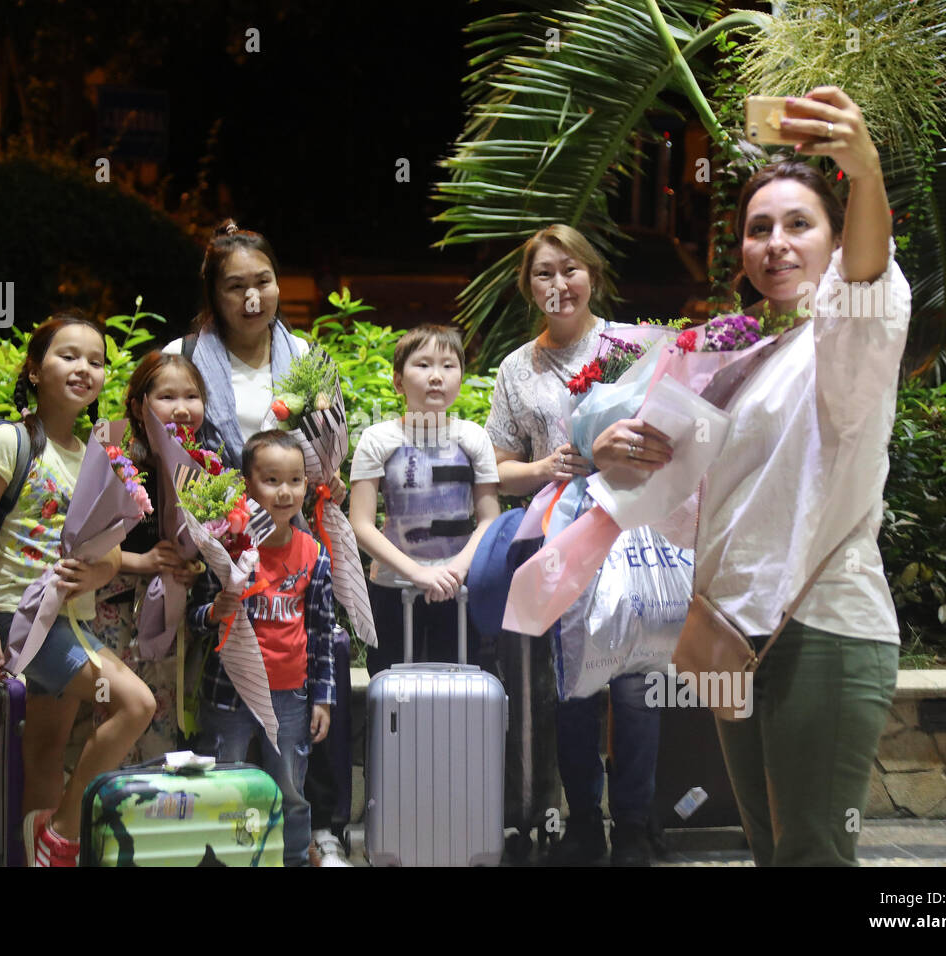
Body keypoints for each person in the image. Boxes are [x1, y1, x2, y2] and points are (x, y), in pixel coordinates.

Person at [593, 87, 910, 866]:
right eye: (758, 228)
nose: (776, 242)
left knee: (811, 855)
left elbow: (866, 284)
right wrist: (622, 455)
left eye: (800, 224)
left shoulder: (847, 341)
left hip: (822, 628)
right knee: (769, 852)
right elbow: (684, 505)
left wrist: (864, 174)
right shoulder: (739, 362)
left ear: (838, 243)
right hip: (734, 634)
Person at [166, 219, 351, 865]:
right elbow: (165, 442)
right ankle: (213, 843)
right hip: (222, 544)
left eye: (263, 282)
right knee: (222, 673)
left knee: (309, 664)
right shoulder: (186, 355)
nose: (252, 298)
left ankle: (314, 828)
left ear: (279, 284)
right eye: (235, 286)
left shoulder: (308, 360)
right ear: (214, 294)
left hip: (298, 541)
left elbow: (332, 455)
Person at [486, 223, 668, 866]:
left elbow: (675, 438)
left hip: (631, 538)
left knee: (638, 685)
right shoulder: (516, 368)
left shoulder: (636, 348)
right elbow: (497, 468)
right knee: (573, 688)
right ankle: (586, 822)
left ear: (591, 272)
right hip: (561, 544)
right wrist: (544, 470)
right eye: (543, 273)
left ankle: (637, 825)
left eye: (570, 269)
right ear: (527, 286)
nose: (558, 284)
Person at [0, 310, 156, 867]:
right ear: (35, 367)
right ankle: (63, 834)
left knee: (45, 748)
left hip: (74, 619)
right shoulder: (9, 440)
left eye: (95, 361)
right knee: (135, 703)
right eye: (68, 355)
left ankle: (38, 856)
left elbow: (110, 546)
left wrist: (100, 571)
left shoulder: (101, 454)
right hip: (19, 618)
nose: (83, 369)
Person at [188, 429, 337, 867]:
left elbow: (323, 633)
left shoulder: (314, 554)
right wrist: (215, 610)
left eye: (295, 480)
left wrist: (323, 697)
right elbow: (195, 617)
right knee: (220, 784)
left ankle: (292, 857)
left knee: (290, 789)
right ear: (247, 485)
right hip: (228, 692)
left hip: (288, 695)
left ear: (306, 486)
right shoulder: (227, 549)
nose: (284, 491)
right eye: (271, 480)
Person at [349, 324, 501, 673]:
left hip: (458, 589)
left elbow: (489, 518)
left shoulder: (473, 438)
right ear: (398, 380)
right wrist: (418, 573)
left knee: (457, 696)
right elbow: (360, 524)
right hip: (393, 587)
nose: (437, 376)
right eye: (423, 365)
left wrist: (456, 570)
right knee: (392, 697)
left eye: (448, 366)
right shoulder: (377, 438)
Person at [89, 350, 211, 761]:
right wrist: (140, 562)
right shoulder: (115, 462)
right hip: (115, 616)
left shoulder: (206, 468)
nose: (181, 409)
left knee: (163, 729)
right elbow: (78, 548)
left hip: (170, 620)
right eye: (166, 397)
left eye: (192, 397)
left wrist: (194, 565)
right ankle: (104, 815)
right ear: (140, 407)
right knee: (117, 723)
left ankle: (152, 815)